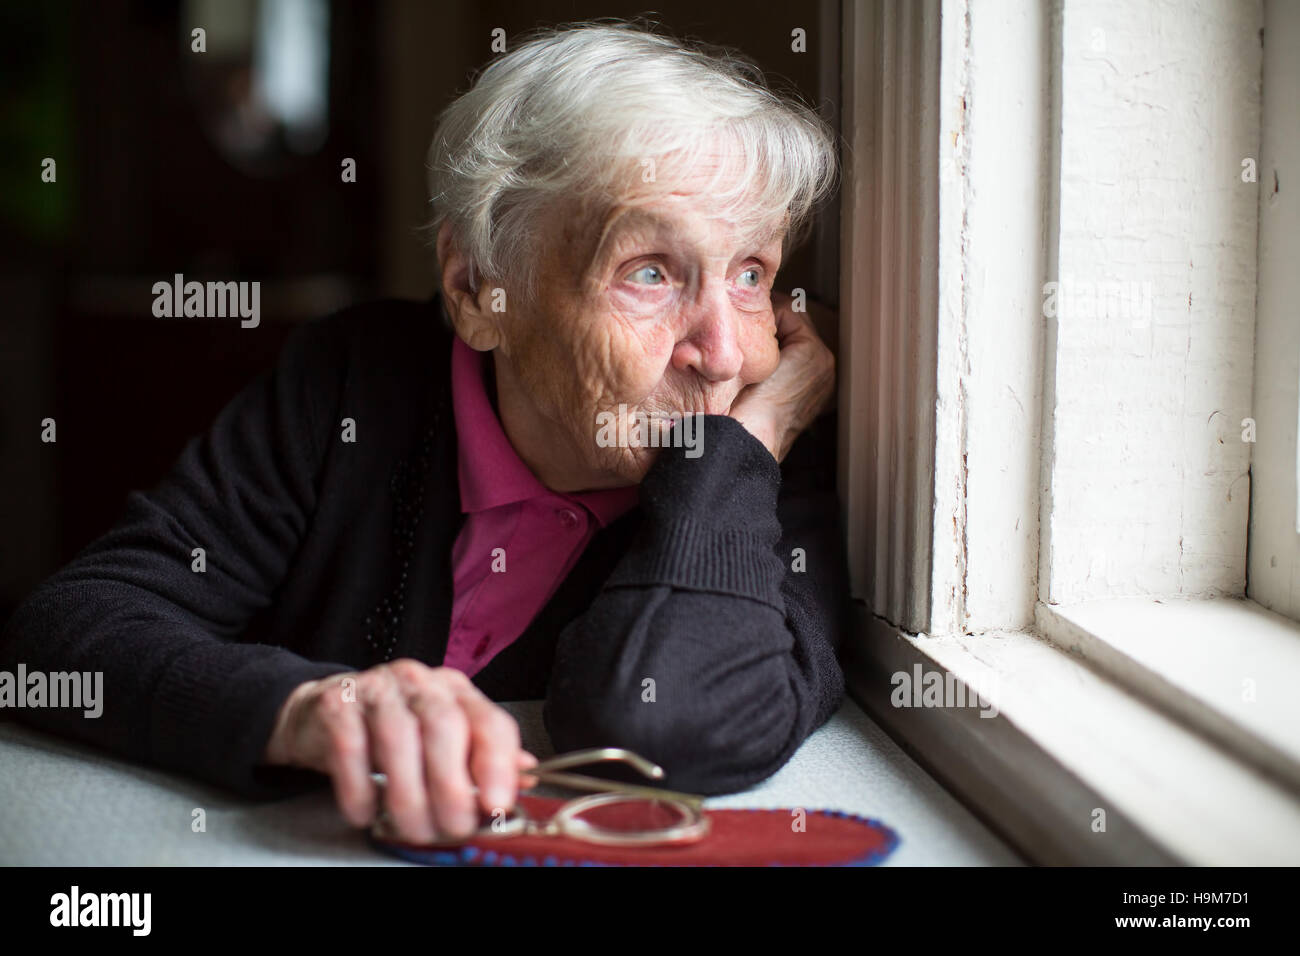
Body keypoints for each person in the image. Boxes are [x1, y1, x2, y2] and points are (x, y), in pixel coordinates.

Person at [0, 22, 847, 846]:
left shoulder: (764, 466)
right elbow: (68, 634)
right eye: (650, 273)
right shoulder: (354, 385)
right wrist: (308, 711)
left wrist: (739, 453)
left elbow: (662, 728)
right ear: (478, 290)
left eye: (750, 275)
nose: (725, 353)